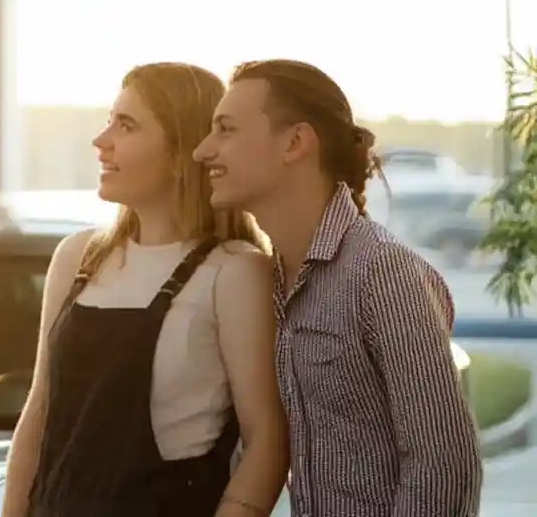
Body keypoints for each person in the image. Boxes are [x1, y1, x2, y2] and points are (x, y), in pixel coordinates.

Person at [193, 58, 483, 516]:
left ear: (295, 142)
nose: (203, 151)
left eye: (225, 129)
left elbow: (442, 464)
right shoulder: (267, 278)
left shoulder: (382, 273)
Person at [2, 62, 289, 517]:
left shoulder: (234, 272)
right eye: (108, 120)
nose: (102, 140)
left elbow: (267, 442)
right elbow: (38, 416)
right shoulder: (78, 257)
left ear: (183, 154)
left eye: (126, 125)